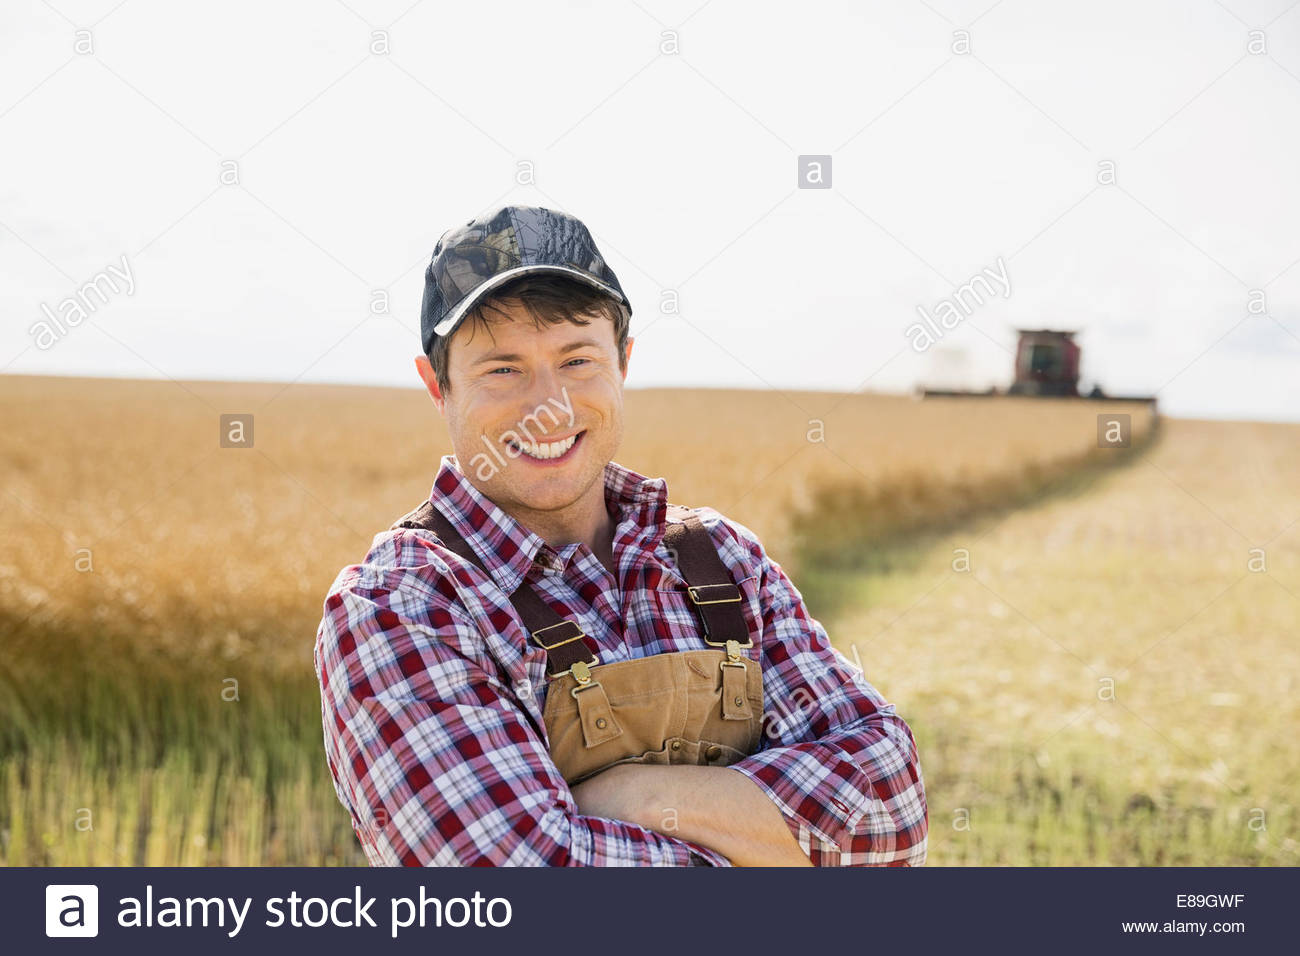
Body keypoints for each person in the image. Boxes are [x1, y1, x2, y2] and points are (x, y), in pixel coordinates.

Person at [313, 203, 928, 866]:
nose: (549, 401)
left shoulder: (723, 560)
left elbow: (892, 810)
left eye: (577, 360)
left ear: (623, 362)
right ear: (438, 386)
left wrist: (632, 797)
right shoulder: (403, 608)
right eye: (503, 368)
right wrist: (783, 852)